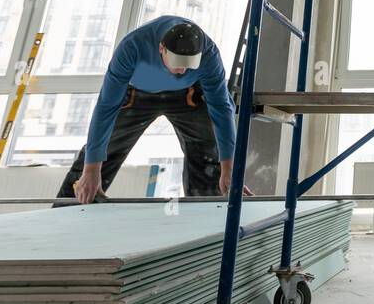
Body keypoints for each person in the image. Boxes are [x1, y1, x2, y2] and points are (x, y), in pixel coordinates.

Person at [58, 16, 241, 203]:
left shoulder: (209, 54)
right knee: (105, 147)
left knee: (208, 149)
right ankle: (71, 206)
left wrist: (229, 168)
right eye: (177, 63)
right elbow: (106, 107)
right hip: (137, 95)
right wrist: (90, 169)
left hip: (188, 96)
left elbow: (221, 108)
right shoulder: (133, 46)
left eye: (188, 65)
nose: (182, 72)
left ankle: (209, 211)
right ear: (161, 49)